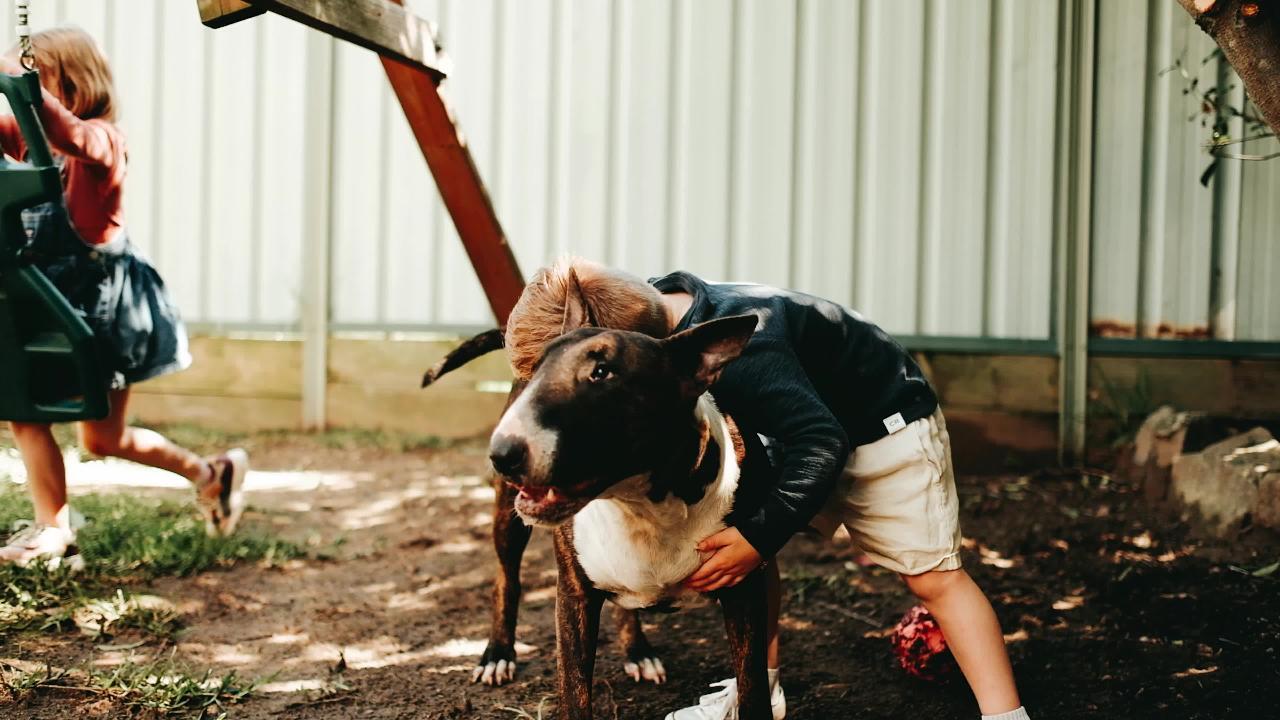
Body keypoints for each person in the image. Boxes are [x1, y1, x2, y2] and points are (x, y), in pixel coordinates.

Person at [502, 258, 1029, 720]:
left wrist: (759, 534)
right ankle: (760, 689)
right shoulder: (648, 310)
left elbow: (821, 439)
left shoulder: (745, 350)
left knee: (934, 578)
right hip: (796, 423)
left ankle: (1005, 712)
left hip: (883, 428)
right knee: (752, 548)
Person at [0, 27, 247, 567]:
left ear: (67, 80)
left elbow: (69, 133)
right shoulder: (28, 139)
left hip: (106, 315)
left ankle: (211, 473)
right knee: (24, 411)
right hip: (54, 310)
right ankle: (53, 532)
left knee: (104, 440)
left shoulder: (104, 143)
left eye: (35, 81)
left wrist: (20, 82)